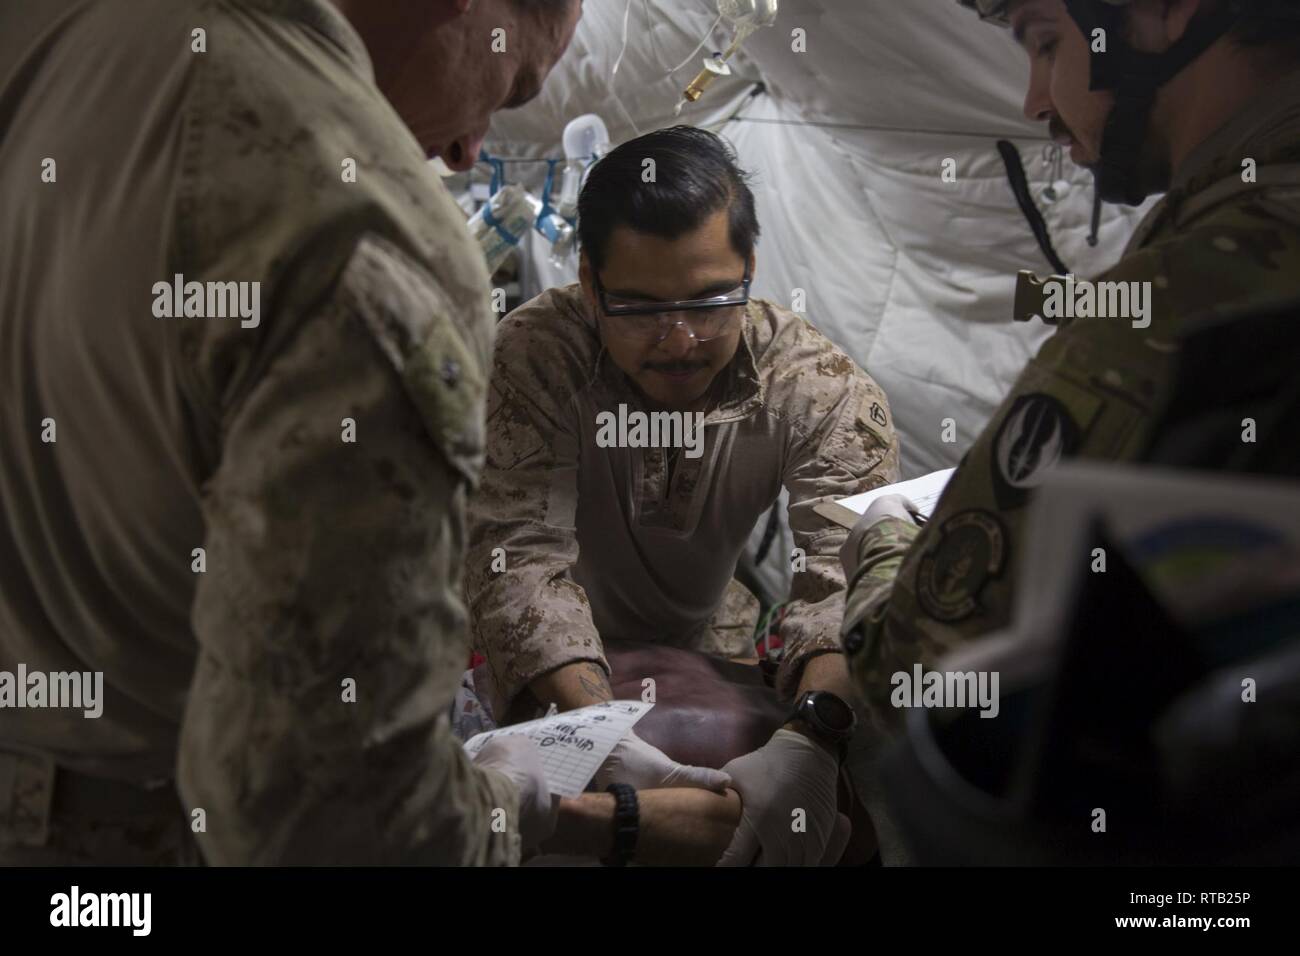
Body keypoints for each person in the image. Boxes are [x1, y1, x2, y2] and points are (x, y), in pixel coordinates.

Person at [0, 0, 586, 865]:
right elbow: (323, 813)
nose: (470, 147)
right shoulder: (361, 231)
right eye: (510, 84)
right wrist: (554, 812)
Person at [841, 0, 1300, 733]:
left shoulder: (1193, 288)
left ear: (1165, 13)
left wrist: (885, 536)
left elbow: (918, 675)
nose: (1037, 102)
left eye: (1045, 44)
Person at [466, 126, 901, 865]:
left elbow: (853, 576)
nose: (678, 340)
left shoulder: (815, 384)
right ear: (590, 284)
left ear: (750, 268)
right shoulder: (538, 353)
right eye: (638, 307)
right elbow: (519, 557)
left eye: (709, 302)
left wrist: (814, 734)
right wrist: (596, 728)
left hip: (702, 635)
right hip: (527, 659)